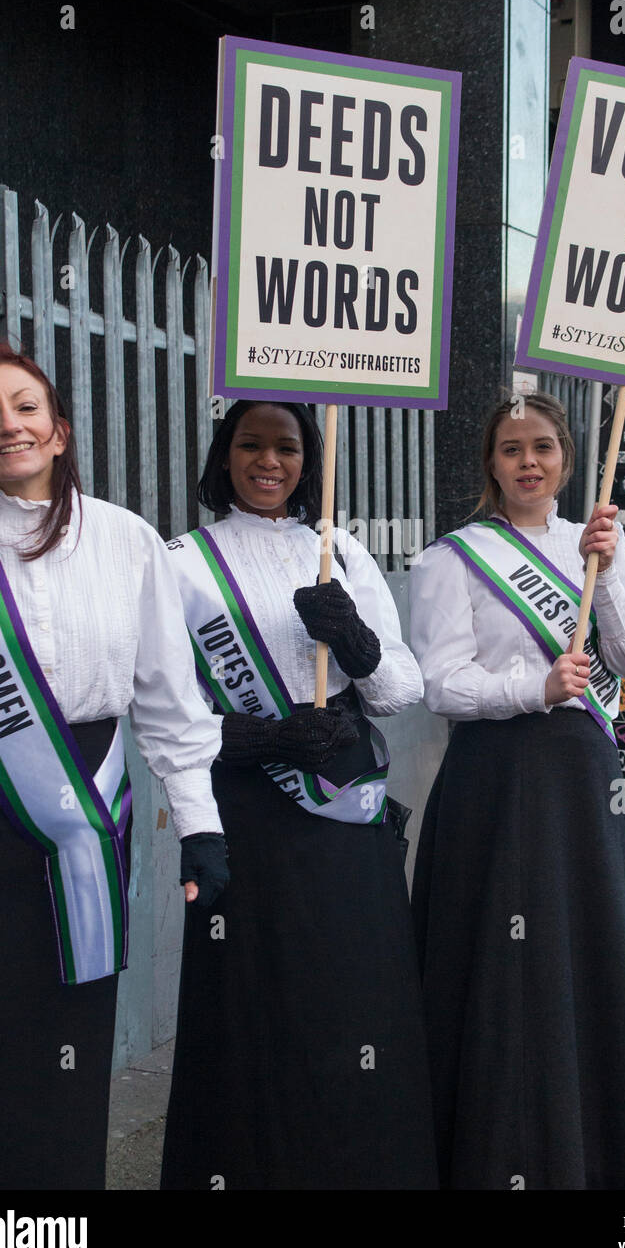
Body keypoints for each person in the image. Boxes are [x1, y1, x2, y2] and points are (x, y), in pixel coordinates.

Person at [0, 343, 228, 1191]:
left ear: (59, 430)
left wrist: (202, 825)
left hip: (83, 821)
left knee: (65, 1043)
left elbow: (171, 702)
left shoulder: (128, 540)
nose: (7, 425)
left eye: (24, 407)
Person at [409, 391, 625, 1190]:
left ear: (567, 458)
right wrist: (531, 688)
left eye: (542, 447)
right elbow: (439, 684)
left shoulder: (596, 543)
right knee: (490, 974)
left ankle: (600, 1153)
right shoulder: (450, 557)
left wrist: (601, 575)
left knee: (587, 959)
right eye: (510, 449)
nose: (527, 462)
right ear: (489, 464)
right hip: (494, 784)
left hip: (582, 785)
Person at [160, 399, 438, 1190]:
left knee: (351, 995)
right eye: (251, 444)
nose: (268, 461)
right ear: (224, 455)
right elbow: (165, 711)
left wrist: (352, 639)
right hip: (246, 810)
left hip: (345, 811)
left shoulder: (340, 552)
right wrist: (267, 739)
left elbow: (397, 691)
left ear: (310, 462)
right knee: (252, 1003)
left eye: (287, 448)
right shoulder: (177, 561)